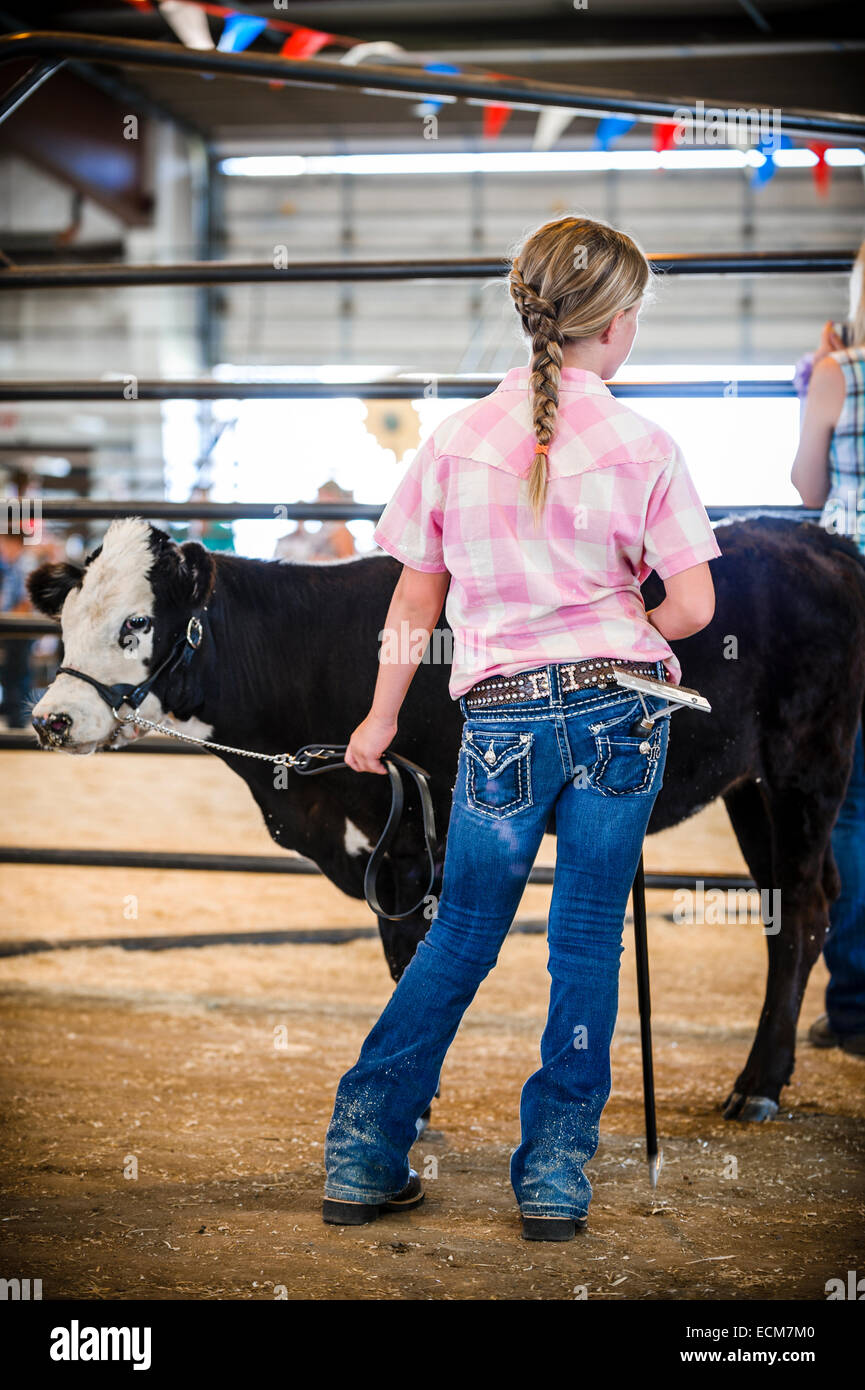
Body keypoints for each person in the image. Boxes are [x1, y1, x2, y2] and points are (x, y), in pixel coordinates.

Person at [322, 216, 721, 1242]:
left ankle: (365, 1148)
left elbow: (411, 609)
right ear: (618, 326)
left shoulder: (455, 441)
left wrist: (375, 720)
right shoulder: (645, 445)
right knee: (584, 937)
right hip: (619, 713)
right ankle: (552, 1173)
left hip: (498, 717)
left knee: (459, 933)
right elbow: (693, 606)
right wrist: (624, 623)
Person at [791, 239, 865, 1058]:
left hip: (846, 592)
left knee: (850, 806)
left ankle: (854, 1007)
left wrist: (815, 386)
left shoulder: (840, 367)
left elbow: (807, 486)